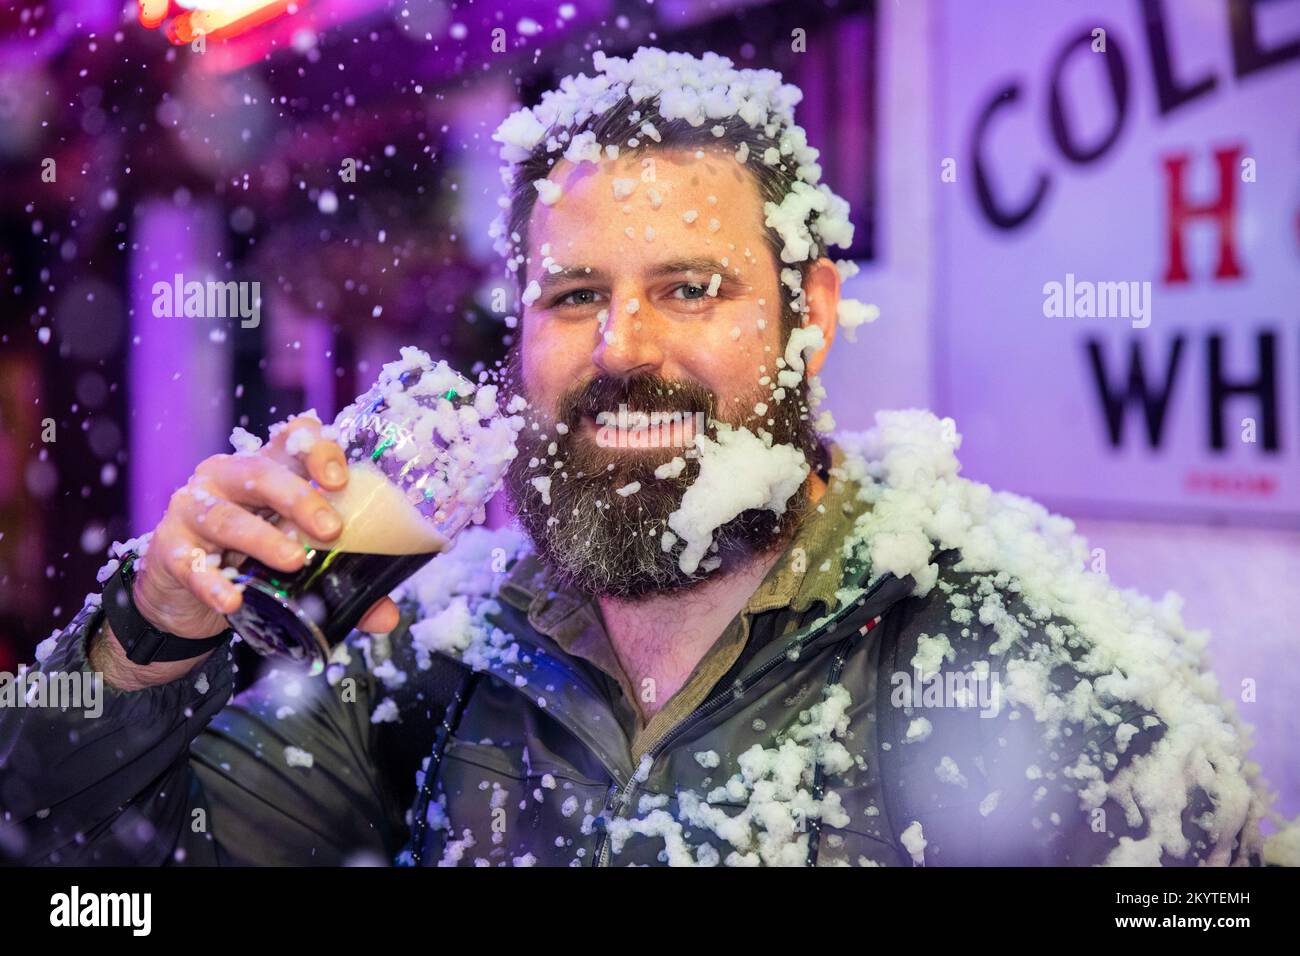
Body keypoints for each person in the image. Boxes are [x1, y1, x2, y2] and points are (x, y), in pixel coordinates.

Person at [0, 48, 1269, 867]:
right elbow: (82, 870)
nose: (624, 347)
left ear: (809, 312)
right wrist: (145, 641)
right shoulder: (436, 654)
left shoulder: (1026, 665)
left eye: (691, 285)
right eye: (571, 296)